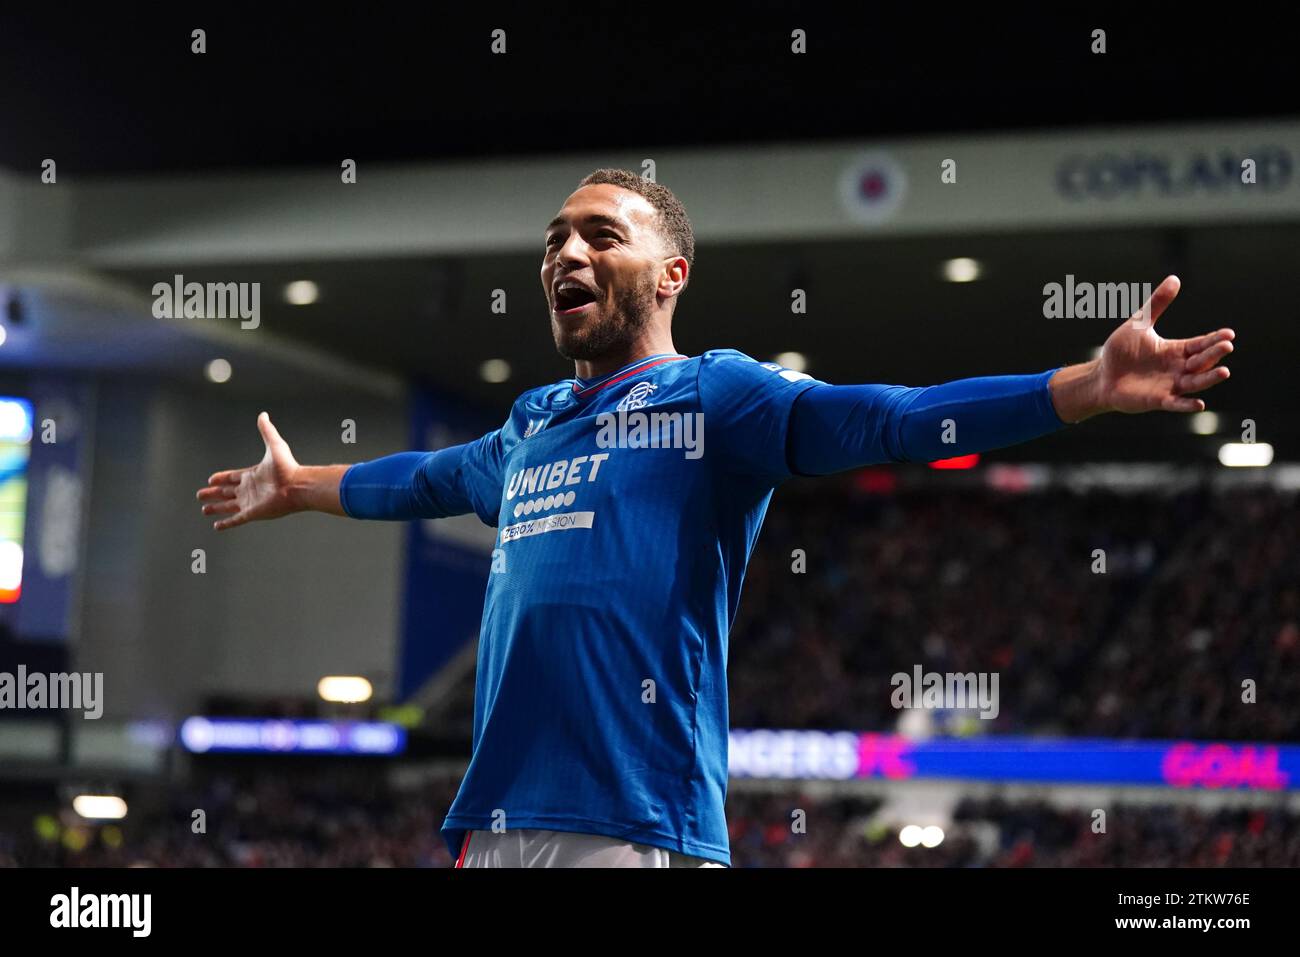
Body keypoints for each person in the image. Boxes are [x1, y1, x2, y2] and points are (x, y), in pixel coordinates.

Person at [196, 168, 1234, 867]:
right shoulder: (527, 430)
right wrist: (299, 486)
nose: (566, 252)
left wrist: (1078, 387)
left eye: (601, 235)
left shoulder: (715, 397)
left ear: (670, 272)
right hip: (491, 825)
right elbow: (417, 479)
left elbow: (889, 421)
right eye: (555, 238)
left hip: (630, 829)